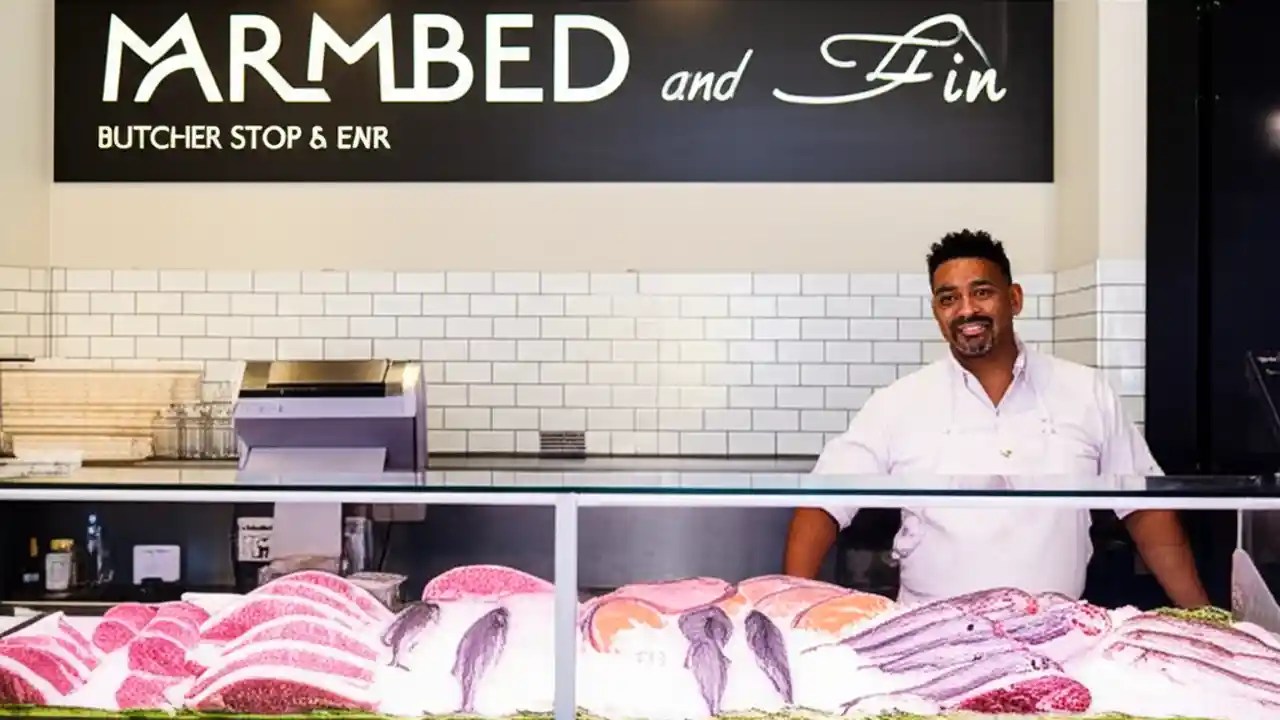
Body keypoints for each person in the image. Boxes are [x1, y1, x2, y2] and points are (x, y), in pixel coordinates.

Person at [783, 230, 1209, 608]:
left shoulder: (1087, 392)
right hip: (928, 640)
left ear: (1015, 298)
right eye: (949, 299)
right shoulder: (898, 403)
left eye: (982, 292)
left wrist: (1203, 618)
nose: (966, 310)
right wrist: (787, 611)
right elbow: (823, 503)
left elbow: (1145, 510)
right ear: (937, 313)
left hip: (1058, 637)